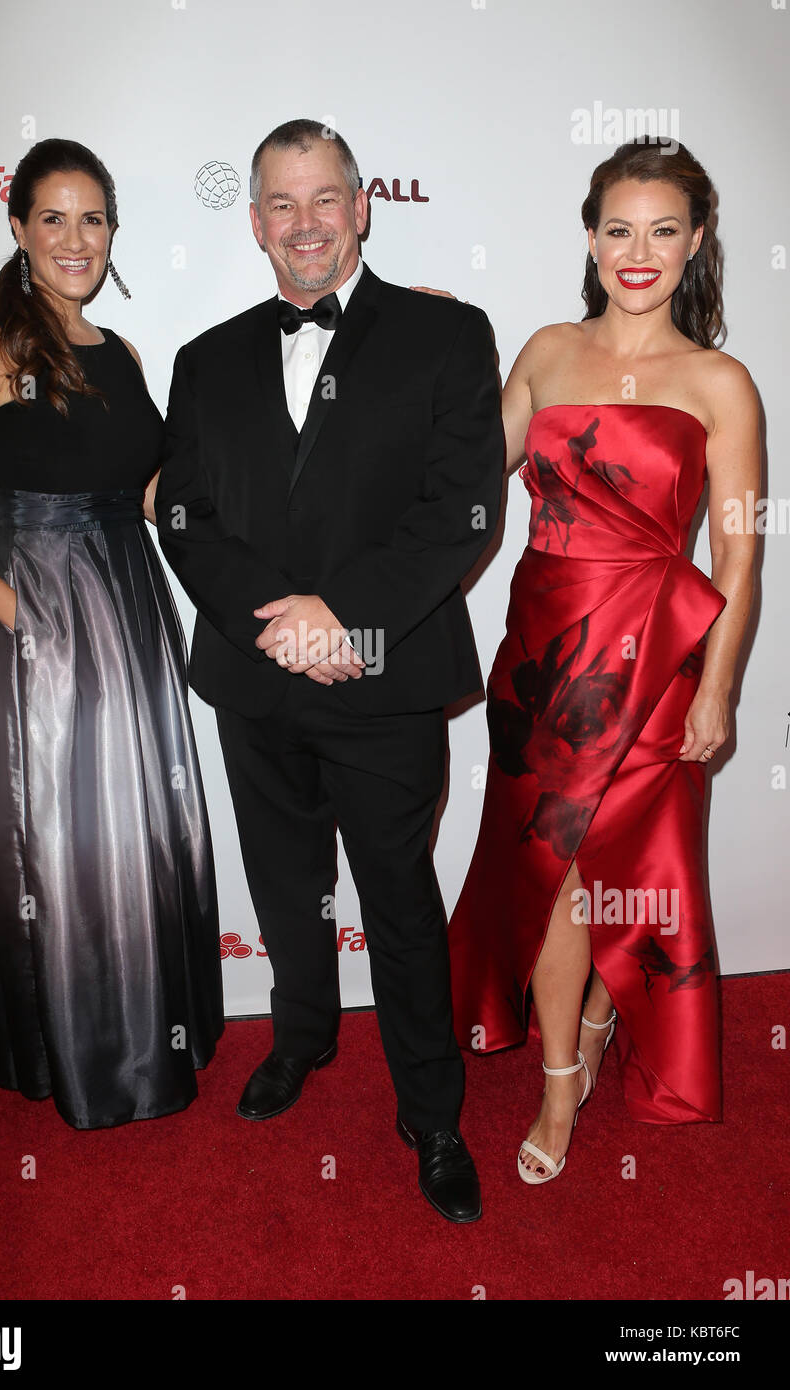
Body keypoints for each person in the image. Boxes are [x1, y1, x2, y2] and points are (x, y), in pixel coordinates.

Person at [154, 118, 503, 1222]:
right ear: (254, 221)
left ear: (361, 206)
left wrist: (340, 617)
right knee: (286, 887)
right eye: (280, 204)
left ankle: (431, 1112)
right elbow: (186, 517)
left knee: (398, 899)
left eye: (323, 199)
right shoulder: (203, 359)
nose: (303, 225)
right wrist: (281, 622)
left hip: (383, 678)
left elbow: (462, 510)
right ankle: (299, 1035)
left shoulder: (444, 337)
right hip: (258, 680)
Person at [446, 137, 759, 1183]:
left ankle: (559, 1079)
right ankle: (573, 1041)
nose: (638, 252)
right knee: (554, 870)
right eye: (617, 229)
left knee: (605, 876)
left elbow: (737, 551)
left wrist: (715, 687)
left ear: (695, 242)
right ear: (589, 238)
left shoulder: (718, 380)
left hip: (657, 658)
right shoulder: (542, 350)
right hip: (543, 652)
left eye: (662, 230)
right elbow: (466, 484)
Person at [0, 138, 223, 1130]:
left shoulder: (121, 355)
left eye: (93, 219)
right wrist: (17, 614)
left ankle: (148, 1034)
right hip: (41, 612)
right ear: (18, 230)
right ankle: (81, 1054)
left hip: (130, 604)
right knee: (63, 839)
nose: (75, 238)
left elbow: (158, 492)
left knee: (136, 830)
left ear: (113, 232)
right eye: (54, 218)